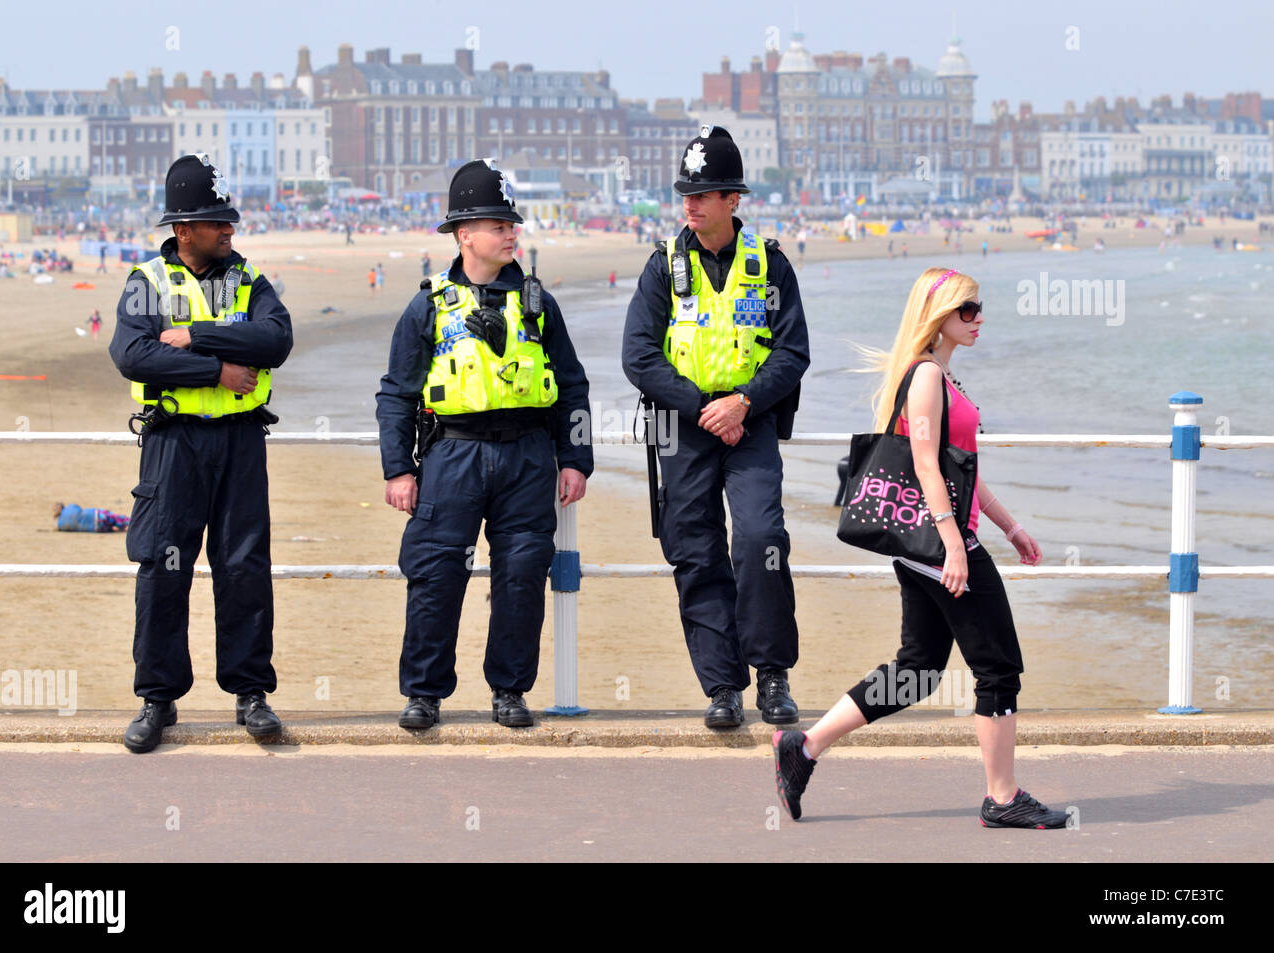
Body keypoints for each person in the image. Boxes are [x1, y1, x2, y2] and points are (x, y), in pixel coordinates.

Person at [773, 266, 1068, 830]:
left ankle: (803, 747)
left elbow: (962, 469)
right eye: (967, 310)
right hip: (939, 545)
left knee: (919, 669)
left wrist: (1009, 526)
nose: (979, 319)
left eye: (979, 307)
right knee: (998, 666)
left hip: (924, 544)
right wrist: (955, 547)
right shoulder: (928, 377)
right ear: (938, 317)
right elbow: (928, 466)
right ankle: (1002, 798)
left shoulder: (940, 377)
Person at [376, 158, 593, 730]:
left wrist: (576, 460)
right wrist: (399, 470)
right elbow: (396, 393)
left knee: (522, 574)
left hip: (527, 455)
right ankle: (424, 694)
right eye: (498, 224)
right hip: (452, 456)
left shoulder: (540, 305)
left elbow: (572, 387)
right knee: (435, 573)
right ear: (463, 233)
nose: (510, 232)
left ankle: (509, 692)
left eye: (512, 223)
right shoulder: (428, 306)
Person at [621, 126, 810, 729]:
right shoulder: (661, 267)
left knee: (761, 542)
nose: (690, 203)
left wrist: (743, 404)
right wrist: (705, 405)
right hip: (685, 428)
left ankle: (772, 676)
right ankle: (722, 686)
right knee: (696, 554)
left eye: (704, 193)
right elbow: (638, 355)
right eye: (685, 192)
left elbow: (792, 351)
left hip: (749, 425)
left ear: (734, 200)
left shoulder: (771, 265)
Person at [109, 153, 293, 754]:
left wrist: (195, 336)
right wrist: (217, 369)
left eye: (229, 221)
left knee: (244, 569)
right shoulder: (147, 282)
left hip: (240, 445)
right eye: (217, 222)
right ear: (183, 229)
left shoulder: (249, 279)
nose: (229, 230)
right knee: (163, 569)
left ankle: (250, 695)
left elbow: (276, 340)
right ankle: (157, 701)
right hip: (172, 444)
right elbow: (134, 356)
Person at [53, 502, 129, 532]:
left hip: (96, 528)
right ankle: (130, 523)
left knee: (110, 526)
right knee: (117, 518)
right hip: (96, 515)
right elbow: (78, 508)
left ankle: (119, 528)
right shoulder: (70, 507)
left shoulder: (60, 525)